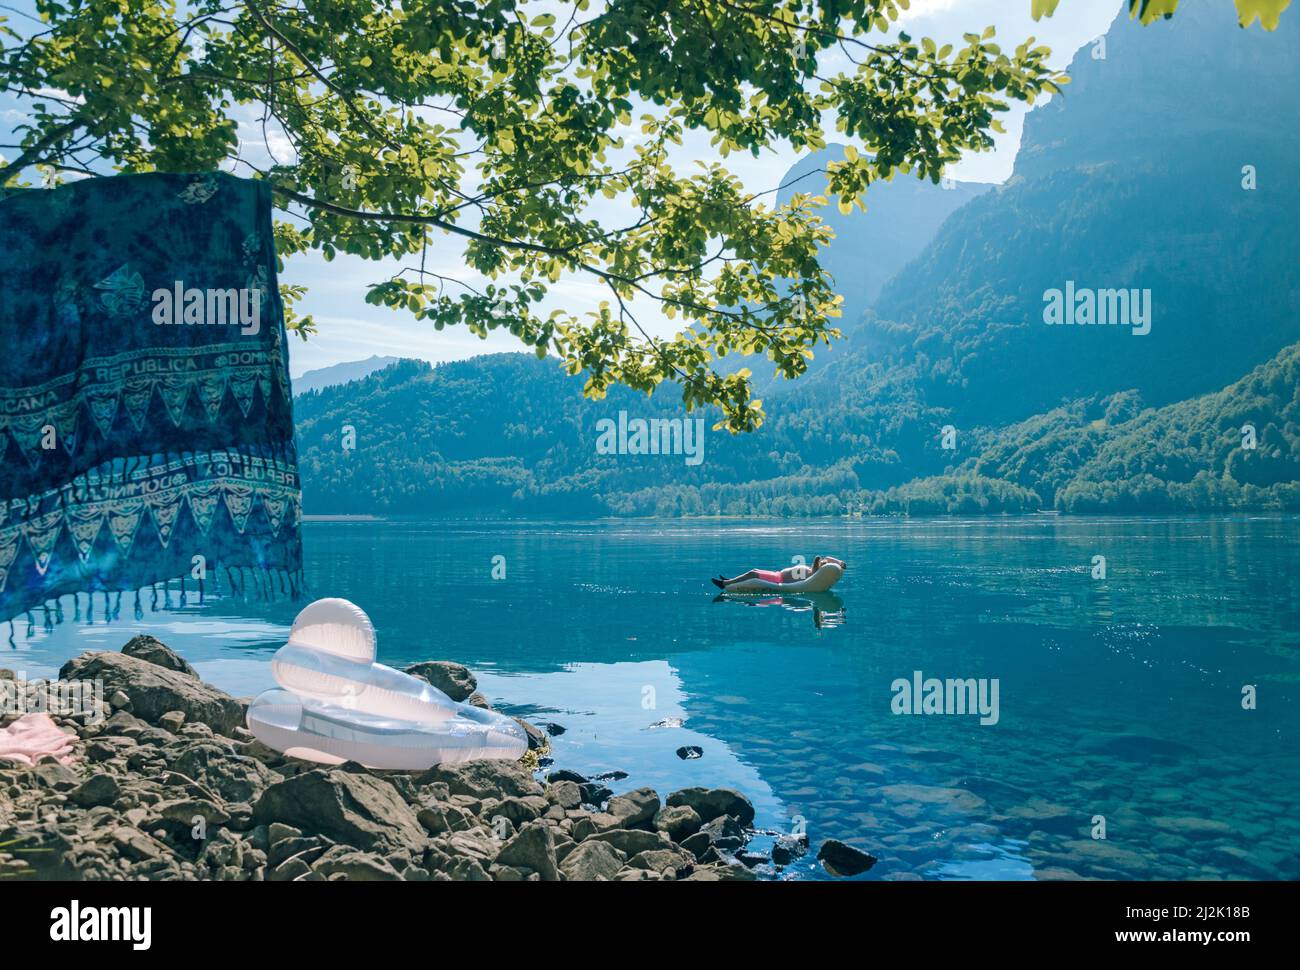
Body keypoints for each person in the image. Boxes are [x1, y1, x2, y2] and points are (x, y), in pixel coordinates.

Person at [712, 555, 845, 589]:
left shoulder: (814, 573)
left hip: (778, 580)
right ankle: (728, 581)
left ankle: (725, 583)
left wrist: (827, 563)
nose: (823, 560)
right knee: (754, 571)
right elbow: (828, 558)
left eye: (822, 563)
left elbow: (819, 558)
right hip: (777, 575)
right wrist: (840, 563)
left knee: (753, 573)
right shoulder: (813, 570)